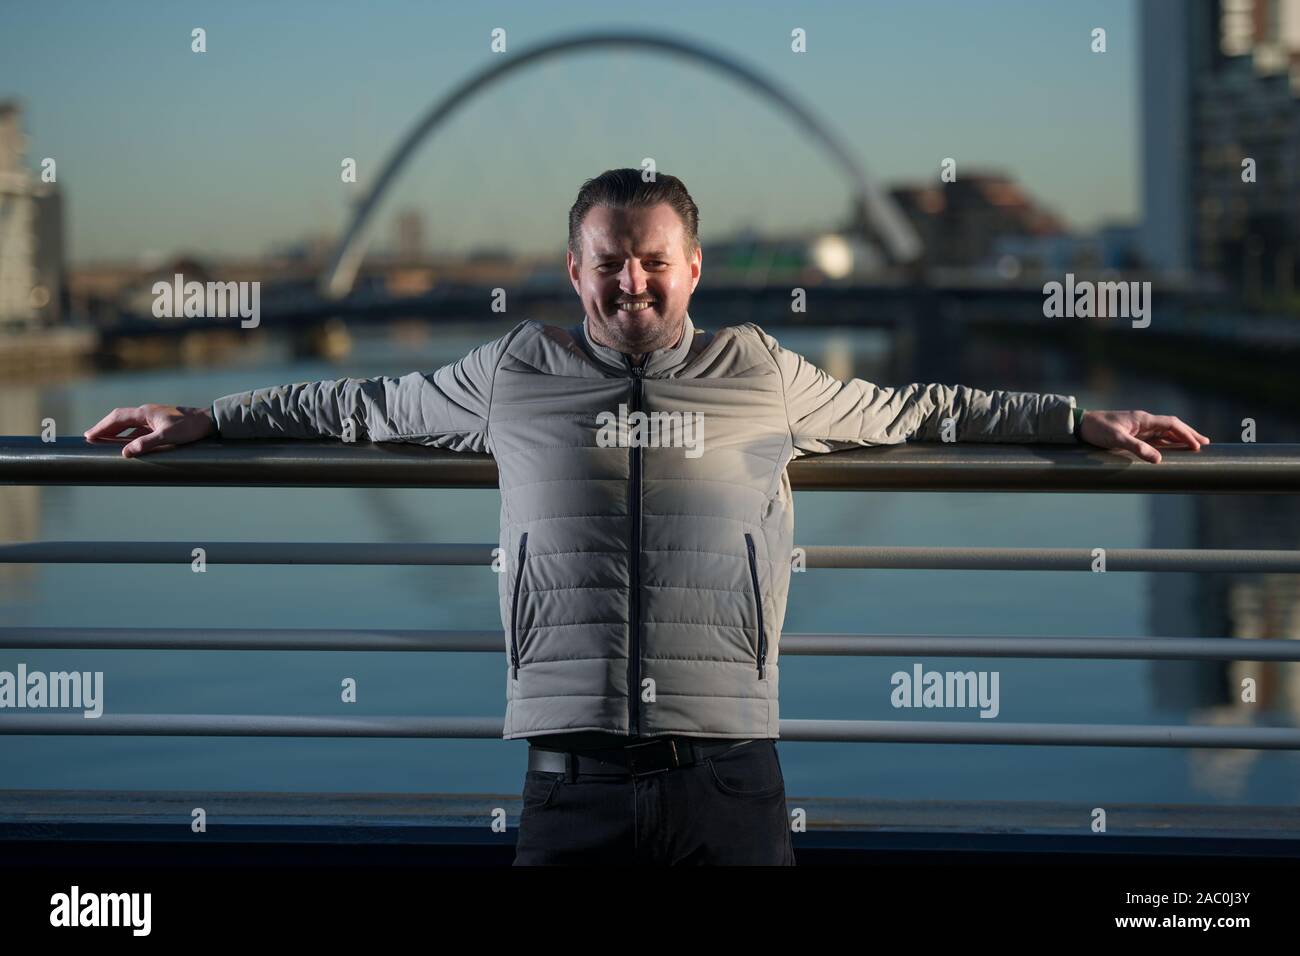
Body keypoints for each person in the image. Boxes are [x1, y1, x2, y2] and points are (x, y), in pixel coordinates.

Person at [84, 168, 1211, 866]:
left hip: (730, 774)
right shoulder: (507, 373)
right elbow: (351, 403)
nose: (633, 284)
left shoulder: (762, 371)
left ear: (693, 268)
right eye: (610, 263)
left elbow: (922, 407)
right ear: (574, 273)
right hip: (569, 776)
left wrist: (1073, 419)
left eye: (653, 262)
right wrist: (208, 416)